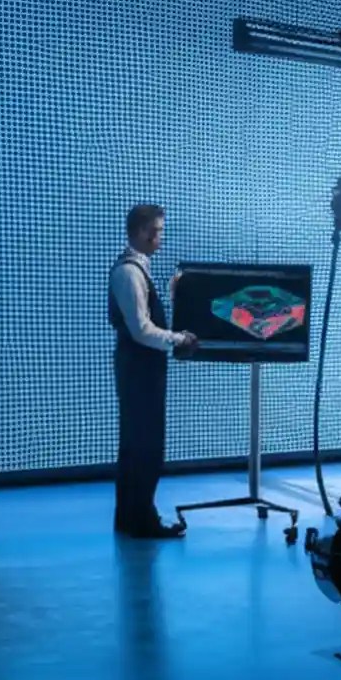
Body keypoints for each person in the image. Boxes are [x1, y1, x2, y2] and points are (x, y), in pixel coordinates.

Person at [109, 204, 196, 539]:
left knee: (136, 444)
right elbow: (142, 330)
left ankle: (129, 517)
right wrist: (179, 338)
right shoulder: (129, 272)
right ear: (144, 231)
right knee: (145, 446)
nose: (161, 236)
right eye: (158, 230)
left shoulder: (137, 270)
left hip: (141, 369)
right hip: (139, 370)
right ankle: (142, 519)